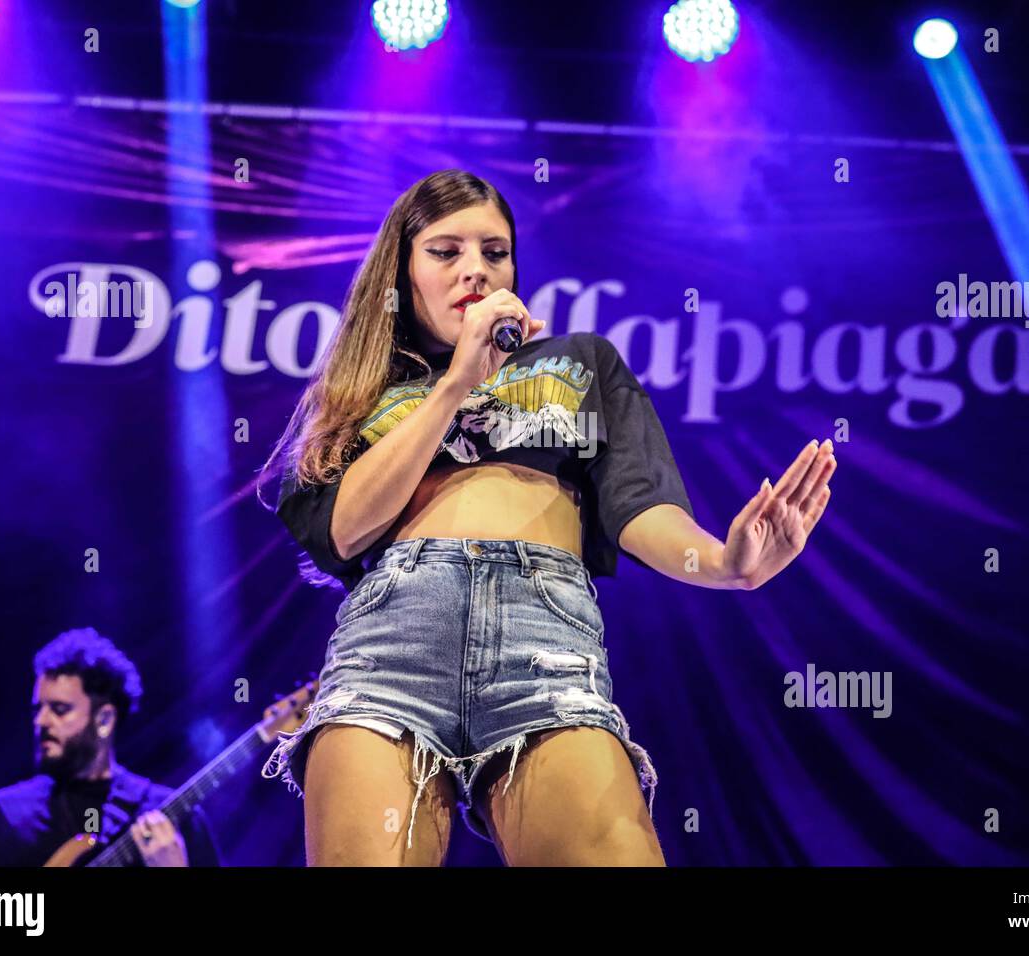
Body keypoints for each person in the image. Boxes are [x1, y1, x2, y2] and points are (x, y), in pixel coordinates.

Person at [258, 168, 836, 867]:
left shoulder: (581, 362)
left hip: (546, 645)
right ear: (401, 273)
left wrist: (723, 565)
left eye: (494, 252)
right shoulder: (365, 392)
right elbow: (345, 530)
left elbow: (637, 502)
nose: (475, 269)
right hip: (394, 643)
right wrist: (455, 386)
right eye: (446, 252)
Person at [0, 628, 221, 867]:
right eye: (39, 709)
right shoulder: (3, 817)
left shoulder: (173, 819)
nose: (41, 721)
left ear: (104, 720)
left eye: (60, 710)